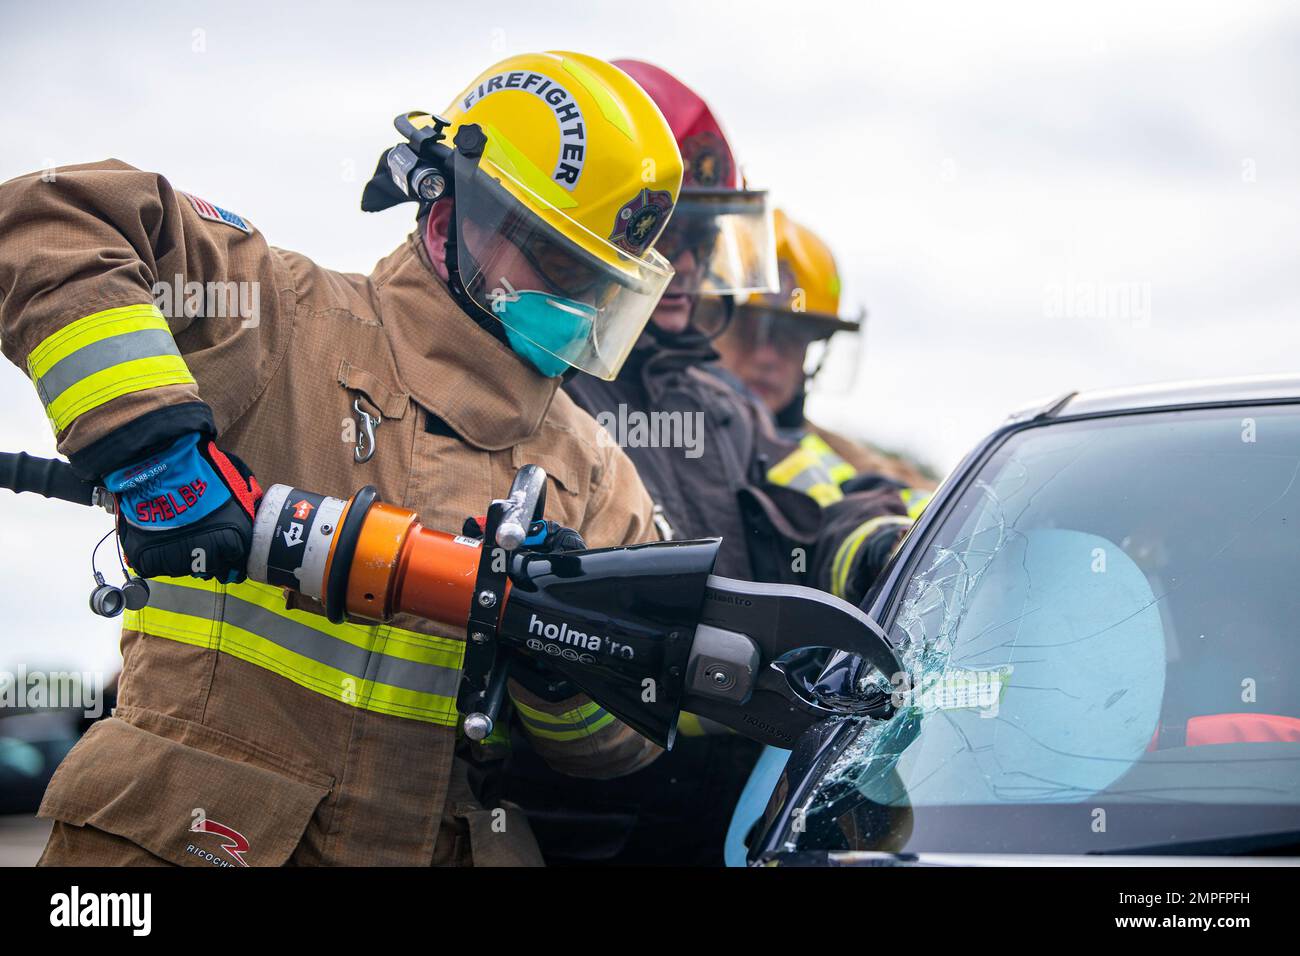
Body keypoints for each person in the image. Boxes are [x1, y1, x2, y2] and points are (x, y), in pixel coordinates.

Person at [0, 51, 684, 866]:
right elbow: (47, 220)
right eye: (558, 263)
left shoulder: (596, 472)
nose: (580, 305)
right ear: (449, 214)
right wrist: (150, 447)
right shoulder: (281, 320)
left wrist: (562, 662)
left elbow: (623, 746)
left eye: (602, 284)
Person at [496, 60, 915, 866]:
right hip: (569, 811)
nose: (689, 266)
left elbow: (823, 496)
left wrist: (888, 546)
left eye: (702, 241)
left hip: (728, 802)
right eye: (667, 236)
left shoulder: (719, 403)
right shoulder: (536, 384)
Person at [714, 208, 936, 497]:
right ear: (709, 327)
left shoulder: (846, 460)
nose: (768, 357)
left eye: (791, 337)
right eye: (748, 333)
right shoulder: (663, 432)